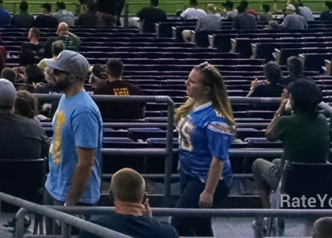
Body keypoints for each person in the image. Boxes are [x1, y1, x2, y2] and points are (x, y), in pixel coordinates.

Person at [172, 63, 235, 235]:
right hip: (189, 173)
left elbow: (218, 158)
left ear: (206, 89)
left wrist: (208, 191)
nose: (186, 83)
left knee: (178, 224)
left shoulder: (217, 121)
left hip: (205, 179)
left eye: (192, 82)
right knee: (201, 225)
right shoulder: (193, 105)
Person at [251, 78, 331, 205]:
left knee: (257, 164)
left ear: (293, 100)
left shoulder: (285, 121)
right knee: (275, 161)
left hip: (290, 180)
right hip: (317, 178)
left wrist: (281, 110)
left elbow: (269, 135)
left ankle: (267, 212)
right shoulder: (322, 120)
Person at [44, 50, 102, 208]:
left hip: (75, 198)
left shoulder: (84, 111)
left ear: (71, 77)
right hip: (55, 186)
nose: (52, 74)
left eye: (57, 71)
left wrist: (70, 203)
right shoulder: (65, 98)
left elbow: (86, 163)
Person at [88, 169, 180, 238]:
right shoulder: (167, 233)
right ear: (144, 198)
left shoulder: (92, 229)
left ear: (110, 195)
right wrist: (150, 220)